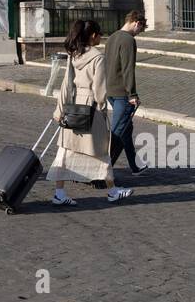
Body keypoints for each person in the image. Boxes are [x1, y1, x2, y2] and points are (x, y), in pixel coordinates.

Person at [47, 20, 132, 205]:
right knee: (101, 152)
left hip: (73, 107)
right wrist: (102, 109)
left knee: (65, 151)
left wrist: (59, 109)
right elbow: (100, 90)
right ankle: (113, 191)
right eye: (99, 33)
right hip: (91, 108)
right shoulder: (98, 58)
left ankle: (59, 193)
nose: (101, 36)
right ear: (93, 35)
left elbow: (66, 84)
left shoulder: (74, 55)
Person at [106, 9, 149, 177]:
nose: (139, 33)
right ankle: (103, 169)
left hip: (110, 90)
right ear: (137, 23)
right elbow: (128, 69)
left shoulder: (111, 37)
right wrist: (132, 94)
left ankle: (135, 165)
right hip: (122, 93)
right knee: (118, 133)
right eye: (141, 29)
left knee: (126, 129)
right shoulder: (128, 40)